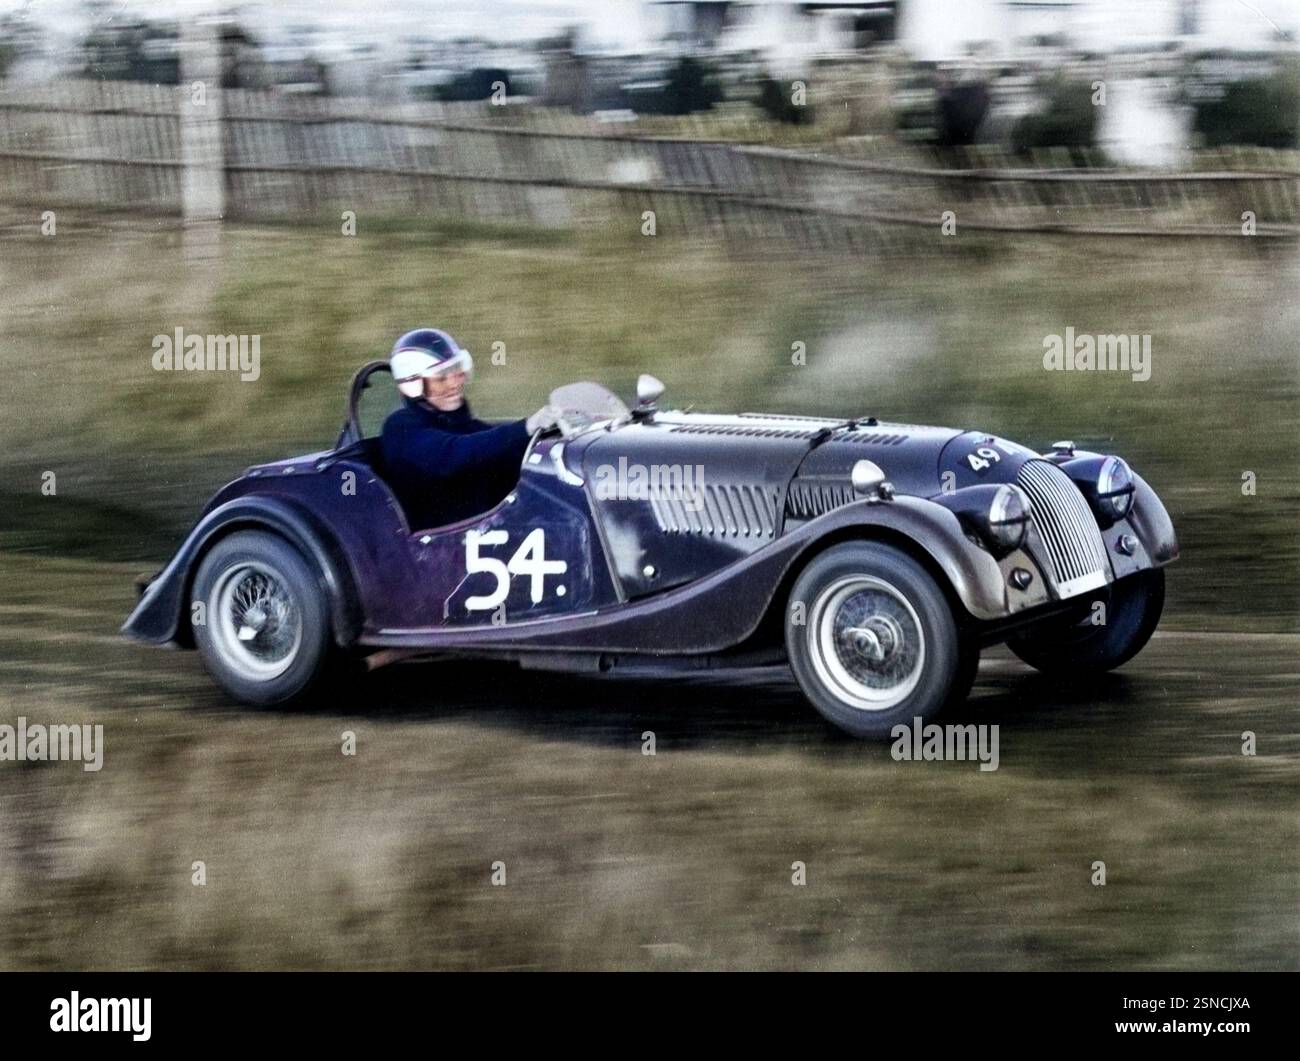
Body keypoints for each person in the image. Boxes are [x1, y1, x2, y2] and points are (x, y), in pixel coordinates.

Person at [380, 328, 558, 529]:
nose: (455, 383)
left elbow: (495, 446)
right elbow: (453, 453)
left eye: (457, 372)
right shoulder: (401, 427)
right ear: (413, 384)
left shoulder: (461, 425)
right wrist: (525, 427)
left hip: (492, 528)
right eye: (441, 378)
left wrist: (553, 433)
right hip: (446, 543)